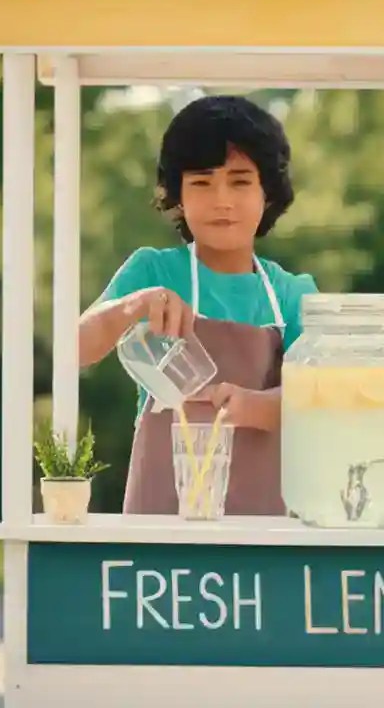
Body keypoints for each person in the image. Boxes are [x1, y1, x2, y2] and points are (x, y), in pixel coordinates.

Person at [78, 94, 317, 515]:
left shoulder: (292, 294)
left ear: (269, 193)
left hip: (264, 527)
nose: (221, 199)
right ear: (178, 196)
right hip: (158, 525)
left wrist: (253, 407)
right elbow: (74, 349)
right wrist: (132, 307)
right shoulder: (152, 272)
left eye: (240, 181)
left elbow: (318, 395)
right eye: (202, 182)